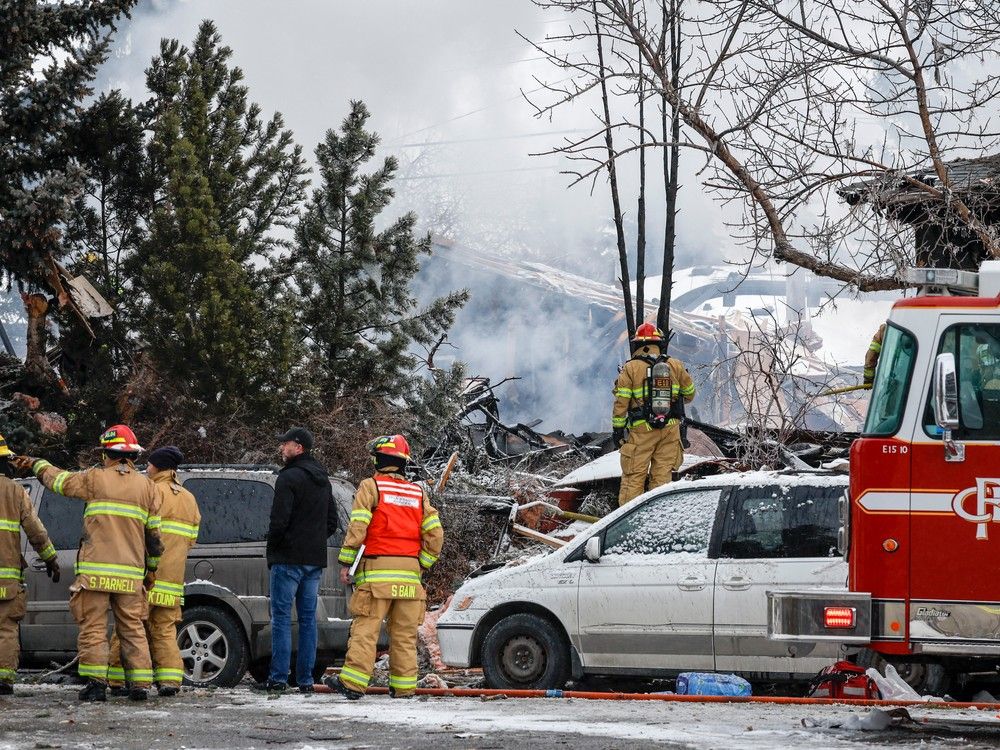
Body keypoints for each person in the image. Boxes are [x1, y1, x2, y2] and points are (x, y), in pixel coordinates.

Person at [14, 425, 162, 702]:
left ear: (108, 453)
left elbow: (59, 482)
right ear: (132, 456)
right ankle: (141, 685)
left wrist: (37, 463)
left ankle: (96, 685)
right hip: (131, 576)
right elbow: (154, 537)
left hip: (95, 574)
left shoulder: (94, 479)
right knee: (132, 628)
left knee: (93, 628)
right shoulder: (148, 488)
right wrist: (151, 570)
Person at [324, 434, 444, 700]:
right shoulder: (418, 492)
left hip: (376, 575)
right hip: (410, 581)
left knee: (365, 631)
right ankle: (403, 688)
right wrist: (420, 565)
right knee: (404, 636)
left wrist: (346, 561)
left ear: (379, 460)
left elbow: (358, 527)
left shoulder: (371, 487)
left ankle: (354, 684)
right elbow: (435, 536)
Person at [108, 446, 200, 697]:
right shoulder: (189, 499)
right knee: (165, 630)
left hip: (145, 576)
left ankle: (117, 680)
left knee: (128, 627)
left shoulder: (149, 491)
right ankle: (170, 681)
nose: (146, 469)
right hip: (172, 581)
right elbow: (191, 540)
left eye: (149, 465)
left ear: (158, 466)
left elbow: (136, 532)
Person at [256, 427, 338, 693]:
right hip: (313, 560)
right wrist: (312, 541)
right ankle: (305, 680)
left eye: (286, 444)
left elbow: (278, 521)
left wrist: (275, 549)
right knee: (307, 620)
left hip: (288, 559)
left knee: (280, 618)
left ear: (299, 447)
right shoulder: (322, 478)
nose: (282, 448)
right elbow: (332, 522)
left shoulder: (288, 478)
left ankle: (279, 678)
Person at [0, 433, 59, 695]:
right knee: (5, 628)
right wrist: (50, 559)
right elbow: (35, 530)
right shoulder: (14, 491)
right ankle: (2, 680)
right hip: (6, 581)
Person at [612, 322, 696, 506]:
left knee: (634, 477)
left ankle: (628, 524)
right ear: (659, 343)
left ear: (637, 345)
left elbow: (621, 402)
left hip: (642, 430)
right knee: (662, 479)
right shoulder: (675, 365)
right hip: (670, 430)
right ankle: (657, 522)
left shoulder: (631, 368)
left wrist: (618, 430)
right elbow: (689, 394)